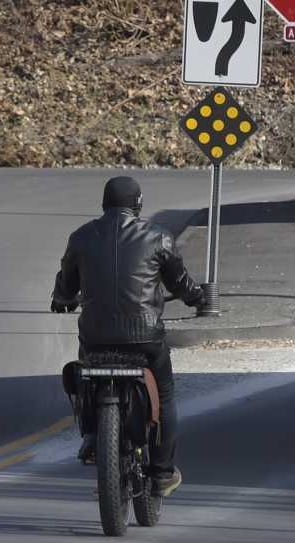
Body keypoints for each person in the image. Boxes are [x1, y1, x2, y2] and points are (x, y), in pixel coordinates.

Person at [50, 175, 202, 496]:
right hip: (145, 338)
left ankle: (93, 436)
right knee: (165, 394)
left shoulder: (81, 237)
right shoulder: (159, 237)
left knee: (85, 377)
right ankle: (162, 472)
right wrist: (199, 299)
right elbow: (180, 283)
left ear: (104, 204)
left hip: (96, 337)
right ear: (138, 205)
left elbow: (66, 283)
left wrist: (61, 299)